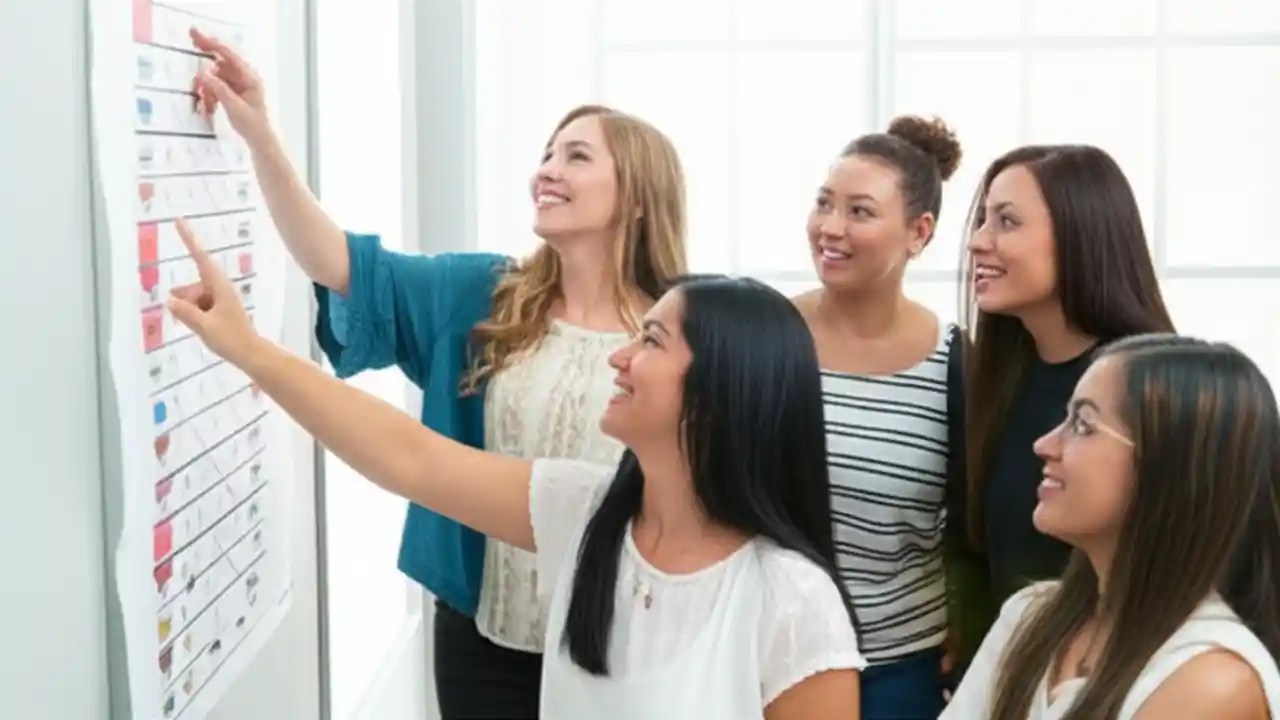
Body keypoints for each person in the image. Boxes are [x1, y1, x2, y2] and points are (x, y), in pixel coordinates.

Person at [166, 218, 866, 718]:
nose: (618, 357)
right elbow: (406, 455)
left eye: (650, 339)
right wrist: (248, 348)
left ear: (718, 392)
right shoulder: (584, 513)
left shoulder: (792, 604)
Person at [188, 28, 687, 717]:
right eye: (546, 153)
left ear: (637, 196)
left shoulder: (687, 327)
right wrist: (261, 137)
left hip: (632, 641)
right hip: (483, 639)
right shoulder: (481, 294)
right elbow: (338, 264)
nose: (546, 169)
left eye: (576, 156)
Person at [943, 334, 1280, 719]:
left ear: (1168, 468)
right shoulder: (1029, 617)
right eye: (1065, 418)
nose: (1045, 444)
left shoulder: (1211, 680)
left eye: (1083, 425)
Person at [947, 145, 1176, 661]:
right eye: (982, 221)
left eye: (1006, 221)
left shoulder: (1150, 391)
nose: (978, 243)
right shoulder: (995, 378)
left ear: (1080, 237)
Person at [791, 115, 964, 718]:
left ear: (919, 232)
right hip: (771, 653)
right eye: (823, 204)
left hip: (899, 668)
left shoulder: (955, 362)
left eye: (860, 211)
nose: (830, 228)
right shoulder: (766, 336)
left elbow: (968, 522)